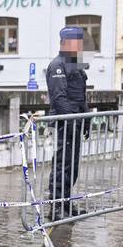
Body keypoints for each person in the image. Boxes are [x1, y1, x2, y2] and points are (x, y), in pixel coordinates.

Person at [46, 25, 89, 222]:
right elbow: (59, 98)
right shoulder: (57, 65)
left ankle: (66, 203)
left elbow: (81, 96)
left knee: (72, 168)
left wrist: (86, 119)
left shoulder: (75, 65)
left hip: (76, 121)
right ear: (64, 43)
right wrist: (70, 121)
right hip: (66, 123)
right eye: (75, 42)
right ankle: (55, 207)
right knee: (62, 165)